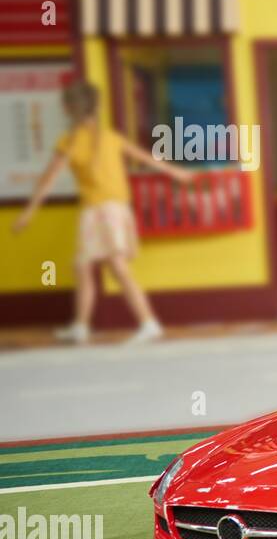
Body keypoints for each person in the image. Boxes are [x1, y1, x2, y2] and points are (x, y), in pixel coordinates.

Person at [11, 80, 193, 345]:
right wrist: (177, 171)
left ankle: (148, 322)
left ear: (69, 109)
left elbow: (47, 180)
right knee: (85, 265)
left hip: (98, 210)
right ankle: (82, 326)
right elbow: (146, 159)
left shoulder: (69, 142)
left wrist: (29, 212)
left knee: (114, 266)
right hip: (117, 210)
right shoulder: (111, 137)